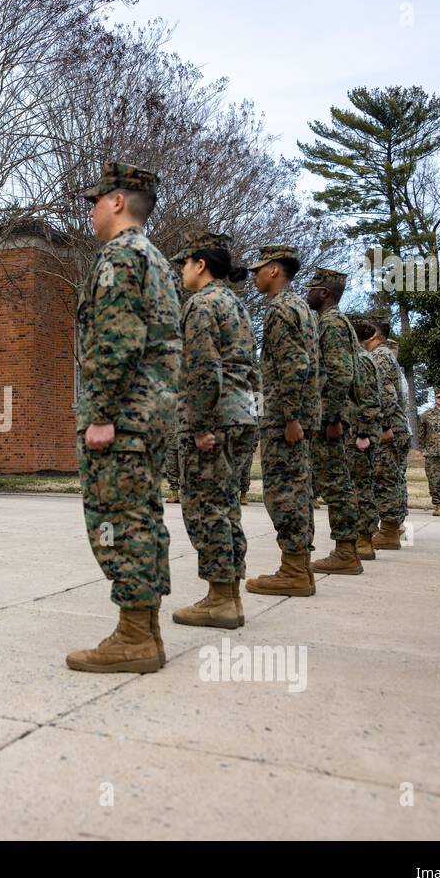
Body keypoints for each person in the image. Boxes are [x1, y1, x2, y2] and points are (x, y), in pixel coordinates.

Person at [66, 161, 180, 673]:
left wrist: (102, 414)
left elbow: (117, 341)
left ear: (116, 202)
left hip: (125, 415)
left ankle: (135, 636)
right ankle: (145, 629)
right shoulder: (155, 259)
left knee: (118, 520)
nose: (91, 211)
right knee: (143, 517)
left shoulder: (118, 257)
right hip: (152, 415)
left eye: (95, 200)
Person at [170, 231, 259, 629]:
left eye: (184, 264)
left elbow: (204, 368)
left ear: (200, 264)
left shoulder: (201, 305)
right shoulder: (236, 305)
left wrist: (201, 424)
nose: (181, 272)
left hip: (215, 420)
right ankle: (229, 595)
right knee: (225, 506)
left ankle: (220, 598)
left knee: (206, 508)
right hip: (240, 415)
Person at [244, 245, 320, 597]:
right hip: (296, 415)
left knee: (283, 493)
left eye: (259, 269)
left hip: (284, 418)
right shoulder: (301, 306)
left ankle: (293, 570)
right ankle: (300, 566)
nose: (255, 275)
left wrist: (290, 416)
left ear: (274, 270)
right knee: (298, 490)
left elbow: (293, 365)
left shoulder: (279, 309)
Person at [306, 269, 364, 575]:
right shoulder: (330, 322)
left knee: (336, 482)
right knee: (335, 481)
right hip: (332, 413)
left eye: (313, 288)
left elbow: (340, 374)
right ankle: (346, 549)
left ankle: (345, 551)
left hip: (331, 416)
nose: (309, 293)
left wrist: (333, 417)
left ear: (325, 293)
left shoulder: (331, 323)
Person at [363, 320, 410, 550]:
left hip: (388, 427)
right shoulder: (385, 355)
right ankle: (394, 526)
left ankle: (389, 532)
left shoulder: (379, 356)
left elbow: (385, 394)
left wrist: (384, 427)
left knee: (385, 480)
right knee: (394, 479)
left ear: (373, 334)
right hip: (394, 425)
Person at [347, 322, 383, 559]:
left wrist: (362, 434)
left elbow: (369, 400)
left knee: (361, 487)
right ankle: (357, 538)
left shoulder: (360, 359)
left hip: (359, 436)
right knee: (354, 487)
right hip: (351, 432)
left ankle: (364, 540)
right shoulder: (354, 357)